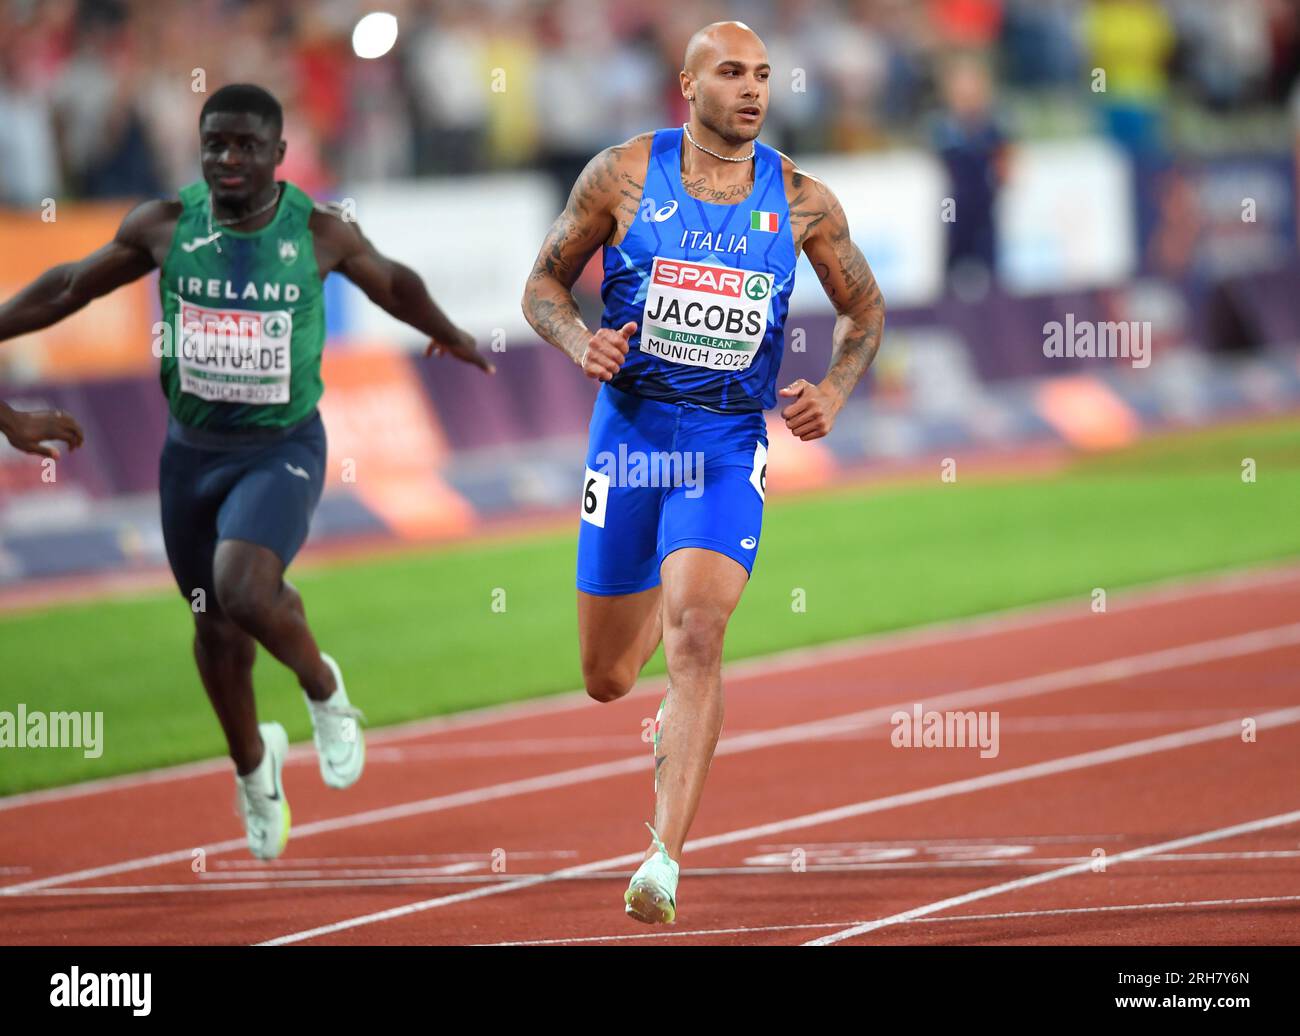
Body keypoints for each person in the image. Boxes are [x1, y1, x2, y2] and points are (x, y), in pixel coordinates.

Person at [0, 83, 492, 859]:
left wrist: (451, 333)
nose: (229, 158)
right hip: (190, 457)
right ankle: (254, 769)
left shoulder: (320, 231)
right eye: (216, 144)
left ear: (278, 155)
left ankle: (322, 688)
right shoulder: (163, 226)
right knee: (215, 630)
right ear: (199, 150)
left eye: (246, 145)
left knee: (243, 587)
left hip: (281, 449)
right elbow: (67, 286)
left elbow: (392, 280)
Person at [521, 22, 885, 923]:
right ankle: (656, 629)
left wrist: (836, 393)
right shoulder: (621, 176)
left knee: (698, 636)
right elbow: (540, 288)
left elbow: (865, 310)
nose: (753, 88)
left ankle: (664, 859)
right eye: (732, 73)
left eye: (763, 73)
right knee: (609, 676)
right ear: (688, 85)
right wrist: (580, 341)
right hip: (632, 435)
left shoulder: (802, 201)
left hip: (727, 442)